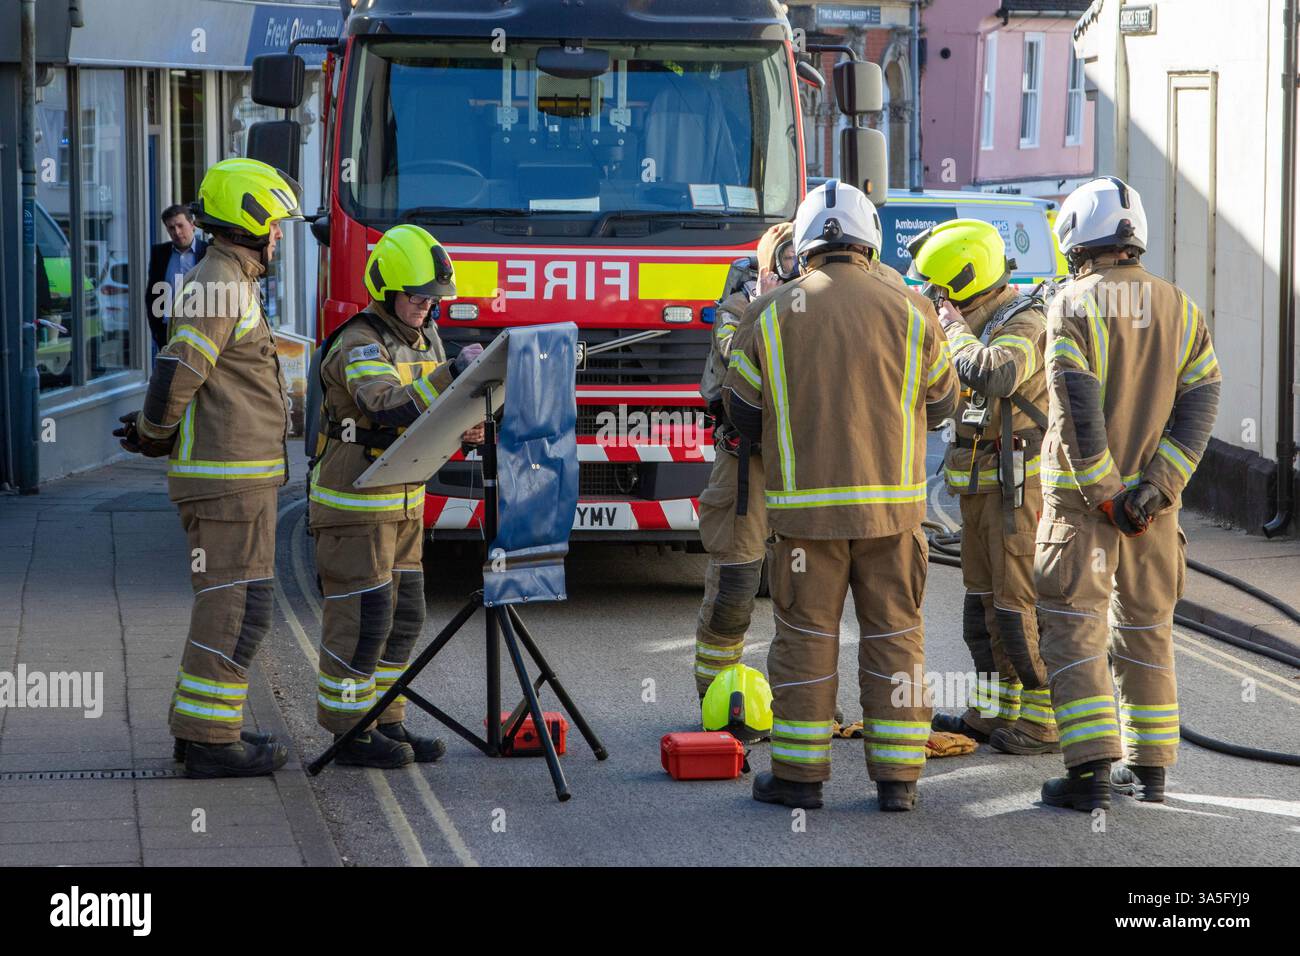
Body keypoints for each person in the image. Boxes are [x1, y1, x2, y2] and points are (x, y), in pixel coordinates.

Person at [723, 180, 959, 812]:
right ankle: (898, 782)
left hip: (808, 522)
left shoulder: (770, 312)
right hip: (893, 515)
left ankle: (799, 778)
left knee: (805, 638)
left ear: (805, 244)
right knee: (897, 637)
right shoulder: (913, 310)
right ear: (869, 238)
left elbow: (741, 414)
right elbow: (942, 407)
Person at [113, 158, 301, 778]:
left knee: (242, 606)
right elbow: (178, 369)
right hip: (227, 482)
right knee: (232, 607)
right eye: (274, 224)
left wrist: (153, 435)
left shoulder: (230, 278)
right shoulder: (219, 280)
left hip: (240, 478)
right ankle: (208, 743)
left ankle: (208, 730)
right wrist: (152, 433)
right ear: (248, 219)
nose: (278, 235)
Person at [1035, 177, 1220, 810]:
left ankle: (1088, 775)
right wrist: (1156, 490)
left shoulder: (1072, 305)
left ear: (1077, 241)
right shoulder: (1181, 307)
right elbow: (1201, 402)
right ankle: (1152, 770)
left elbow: (1077, 410)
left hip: (1084, 512)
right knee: (1147, 628)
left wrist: (1109, 494)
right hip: (1151, 516)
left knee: (1075, 628)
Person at [309, 224, 482, 768]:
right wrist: (453, 374)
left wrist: (465, 424)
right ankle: (348, 732)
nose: (429, 310)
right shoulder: (359, 343)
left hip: (403, 501)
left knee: (405, 615)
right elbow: (386, 405)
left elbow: (434, 409)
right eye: (418, 299)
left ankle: (387, 718)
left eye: (435, 301)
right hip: (354, 504)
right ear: (386, 291)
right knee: (363, 619)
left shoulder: (423, 336)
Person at [908, 220, 1059, 755]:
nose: (932, 300)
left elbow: (995, 375)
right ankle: (992, 710)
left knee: (1018, 608)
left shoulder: (1027, 322)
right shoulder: (984, 324)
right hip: (983, 491)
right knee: (982, 608)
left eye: (938, 293)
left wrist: (951, 330)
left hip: (1018, 494)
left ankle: (1043, 722)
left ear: (962, 288)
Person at [692, 221, 792, 699]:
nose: (800, 268)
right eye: (790, 259)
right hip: (744, 469)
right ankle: (714, 696)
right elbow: (738, 357)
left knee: (803, 591)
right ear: (769, 266)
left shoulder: (810, 307)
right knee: (735, 585)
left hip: (800, 467)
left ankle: (800, 700)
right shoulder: (736, 309)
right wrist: (764, 303)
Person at [147, 204, 208, 350]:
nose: (177, 232)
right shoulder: (159, 253)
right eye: (171, 228)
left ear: (192, 225)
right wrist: (156, 330)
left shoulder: (208, 252)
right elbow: (152, 294)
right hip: (167, 330)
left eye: (180, 225)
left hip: (199, 331)